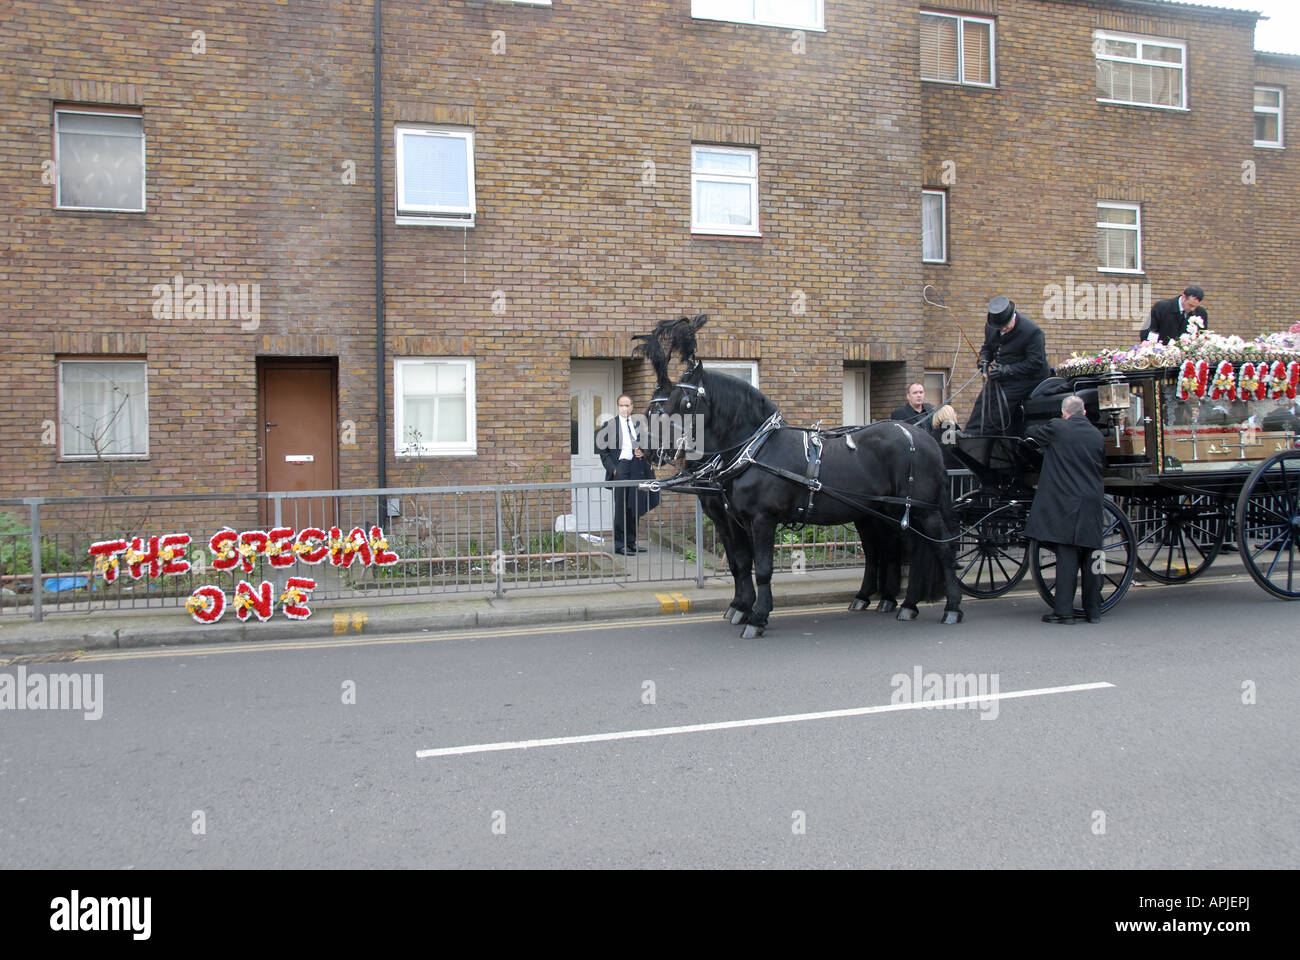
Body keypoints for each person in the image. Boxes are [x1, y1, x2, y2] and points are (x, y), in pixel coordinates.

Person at [1024, 394, 1105, 625]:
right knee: (1094, 556)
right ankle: (1093, 611)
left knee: (1067, 556)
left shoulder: (1059, 427)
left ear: (1064, 413)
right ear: (1085, 413)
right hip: (1092, 501)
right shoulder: (1097, 435)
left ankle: (1064, 612)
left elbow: (1031, 432)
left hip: (1067, 502)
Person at [965, 296, 1050, 434]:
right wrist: (984, 359)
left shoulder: (1033, 332)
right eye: (1000, 327)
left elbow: (1035, 362)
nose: (1003, 329)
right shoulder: (991, 328)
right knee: (983, 400)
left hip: (1028, 379)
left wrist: (1007, 370)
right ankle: (970, 434)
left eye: (1005, 325)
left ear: (1013, 316)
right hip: (1003, 375)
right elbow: (987, 348)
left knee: (1000, 405)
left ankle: (988, 436)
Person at [596, 395, 657, 556]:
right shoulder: (609, 425)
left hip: (636, 466)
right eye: (621, 405)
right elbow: (603, 451)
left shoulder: (638, 424)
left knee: (634, 506)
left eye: (627, 405)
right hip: (620, 468)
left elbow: (644, 443)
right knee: (621, 507)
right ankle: (619, 545)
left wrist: (642, 452)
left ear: (632, 407)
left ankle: (631, 542)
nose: (624, 408)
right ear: (618, 407)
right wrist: (613, 469)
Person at [1140, 285, 1207, 344]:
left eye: (1195, 306)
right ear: (1184, 297)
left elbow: (1201, 337)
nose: (1192, 309)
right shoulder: (1162, 308)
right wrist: (1153, 347)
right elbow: (1150, 330)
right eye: (1190, 305)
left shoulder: (1200, 313)